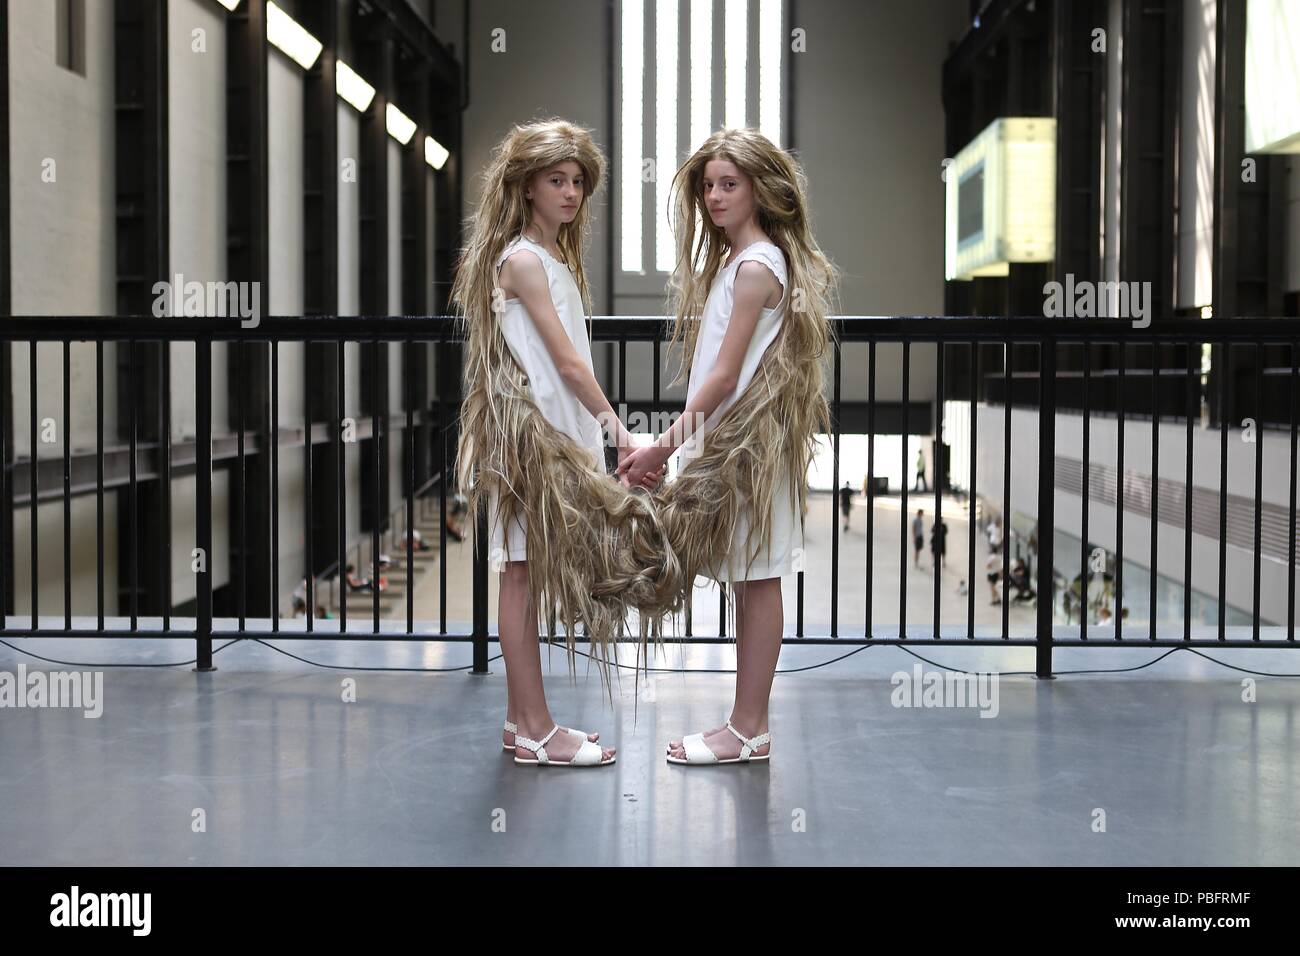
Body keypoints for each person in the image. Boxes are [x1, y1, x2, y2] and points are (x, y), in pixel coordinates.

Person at [617, 127, 838, 766]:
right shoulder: (744, 263)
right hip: (732, 448)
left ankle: (747, 729)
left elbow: (720, 376)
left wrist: (661, 449)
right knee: (752, 579)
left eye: (729, 185)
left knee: (759, 578)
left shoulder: (755, 266)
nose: (715, 196)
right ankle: (748, 725)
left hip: (744, 452)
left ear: (759, 190)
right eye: (709, 185)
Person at [452, 119, 664, 768]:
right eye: (556, 180)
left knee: (522, 573)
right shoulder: (523, 260)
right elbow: (569, 365)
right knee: (519, 574)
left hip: (550, 438)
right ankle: (538, 730)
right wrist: (621, 432)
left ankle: (523, 723)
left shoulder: (544, 260)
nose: (571, 193)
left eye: (577, 182)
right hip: (534, 444)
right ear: (526, 186)